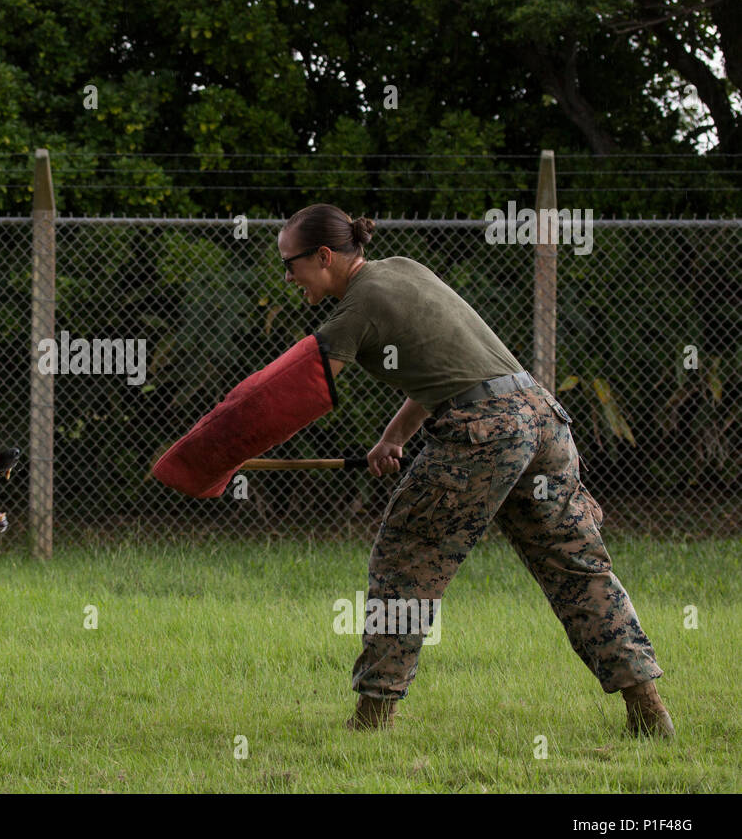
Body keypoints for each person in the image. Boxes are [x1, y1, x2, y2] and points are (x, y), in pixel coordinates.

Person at [277, 203, 673, 737]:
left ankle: (372, 719)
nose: (286, 276)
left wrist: (221, 451)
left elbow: (292, 394)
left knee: (406, 561)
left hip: (485, 431)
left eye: (291, 263)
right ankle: (649, 712)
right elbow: (450, 370)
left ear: (323, 256)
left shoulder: (356, 308)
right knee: (576, 567)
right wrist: (393, 437)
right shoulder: (403, 269)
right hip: (541, 417)